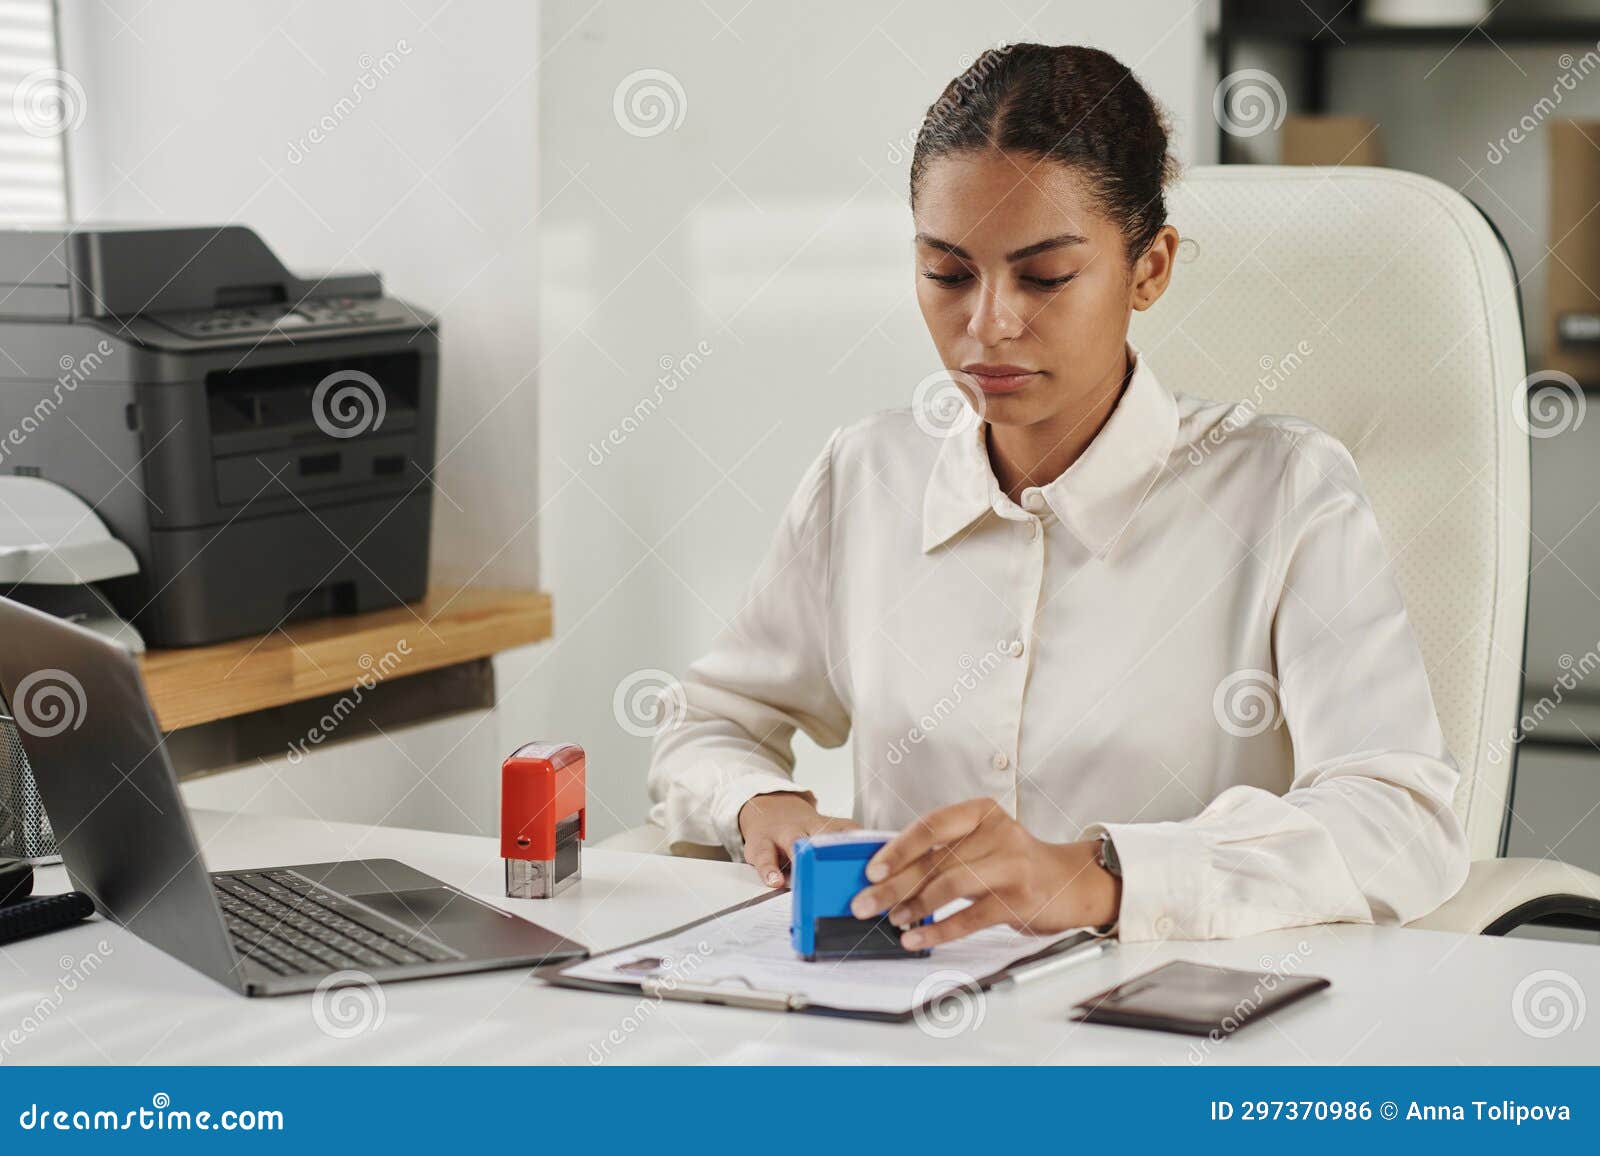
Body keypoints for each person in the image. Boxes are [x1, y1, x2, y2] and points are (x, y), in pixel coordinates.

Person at [647, 42, 1469, 945]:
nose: (989, 324)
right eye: (947, 274)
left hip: (1177, 1036)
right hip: (901, 1023)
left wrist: (1102, 877)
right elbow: (707, 726)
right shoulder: (867, 476)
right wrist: (757, 801)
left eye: (1045, 277)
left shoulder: (1283, 489)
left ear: (1149, 269)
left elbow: (1402, 824)